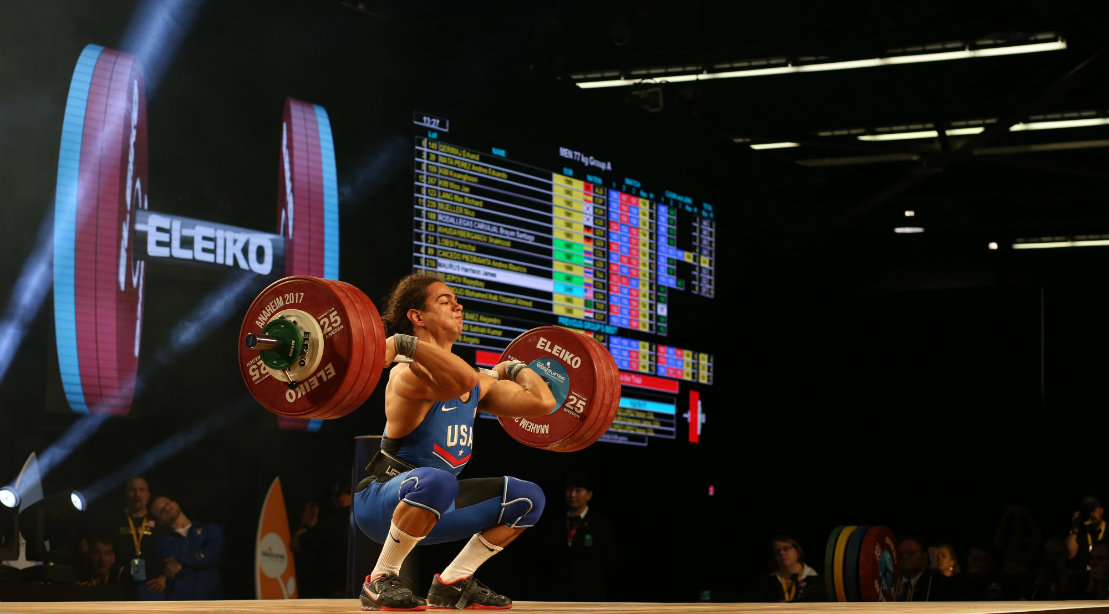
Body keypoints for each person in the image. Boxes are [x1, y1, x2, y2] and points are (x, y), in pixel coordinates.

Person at [352, 273, 556, 610]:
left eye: (457, 302)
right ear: (417, 316)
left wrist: (512, 367)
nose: (458, 307)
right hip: (380, 503)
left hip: (436, 505)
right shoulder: (407, 375)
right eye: (445, 302)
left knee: (528, 499)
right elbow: (459, 380)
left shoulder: (474, 382)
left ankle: (453, 582)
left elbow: (543, 402)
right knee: (439, 481)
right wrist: (404, 345)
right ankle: (380, 578)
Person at [540, 473, 620, 601]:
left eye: (578, 490)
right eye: (570, 490)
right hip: (558, 595)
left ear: (589, 495)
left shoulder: (600, 525)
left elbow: (610, 563)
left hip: (591, 595)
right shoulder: (554, 523)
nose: (573, 495)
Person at [87, 476, 167, 600]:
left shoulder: (158, 521)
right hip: (120, 585)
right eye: (132, 490)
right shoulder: (115, 520)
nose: (137, 494)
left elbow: (169, 553)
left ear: (148, 495)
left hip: (152, 586)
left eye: (141, 490)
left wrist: (165, 578)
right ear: (125, 495)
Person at [149, 495, 224, 600]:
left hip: (213, 599)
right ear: (160, 521)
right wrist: (199, 558)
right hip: (183, 602)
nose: (166, 508)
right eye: (161, 510)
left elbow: (214, 553)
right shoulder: (163, 543)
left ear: (175, 503)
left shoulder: (209, 528)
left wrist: (181, 561)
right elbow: (173, 569)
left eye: (166, 503)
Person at [291, 477, 353, 598]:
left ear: (339, 494)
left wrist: (306, 524)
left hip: (332, 597)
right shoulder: (370, 520)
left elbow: (295, 545)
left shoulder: (332, 524)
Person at [756, 536, 826, 602]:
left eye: (785, 548)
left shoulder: (815, 580)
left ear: (797, 551)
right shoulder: (768, 583)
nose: (781, 553)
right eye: (777, 551)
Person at [896, 536, 953, 601]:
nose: (904, 556)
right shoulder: (892, 581)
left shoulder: (940, 584)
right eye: (900, 553)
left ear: (924, 556)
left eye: (910, 553)